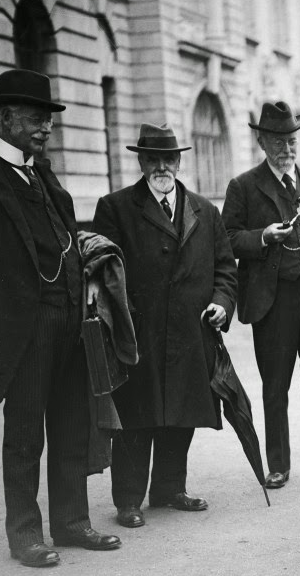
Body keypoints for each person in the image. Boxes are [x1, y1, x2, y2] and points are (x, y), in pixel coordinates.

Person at [0, 69, 121, 567]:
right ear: (4, 119)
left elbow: (65, 242)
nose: (45, 128)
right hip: (22, 331)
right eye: (37, 119)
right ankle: (24, 534)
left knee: (70, 425)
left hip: (68, 323)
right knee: (24, 435)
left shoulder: (45, 177)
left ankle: (72, 521)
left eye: (49, 121)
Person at [91, 124, 238, 528]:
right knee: (137, 416)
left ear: (179, 161)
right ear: (140, 162)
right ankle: (128, 500)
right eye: (152, 159)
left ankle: (170, 488)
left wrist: (222, 304)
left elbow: (226, 269)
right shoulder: (115, 207)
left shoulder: (205, 211)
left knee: (181, 413)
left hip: (192, 333)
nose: (162, 167)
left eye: (169, 159)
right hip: (139, 334)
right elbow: (101, 271)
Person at [221, 101, 300, 489]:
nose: (286, 148)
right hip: (272, 300)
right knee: (275, 385)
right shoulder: (243, 186)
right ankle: (278, 464)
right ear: (262, 142)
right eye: (278, 140)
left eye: (291, 140)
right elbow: (226, 240)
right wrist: (262, 237)